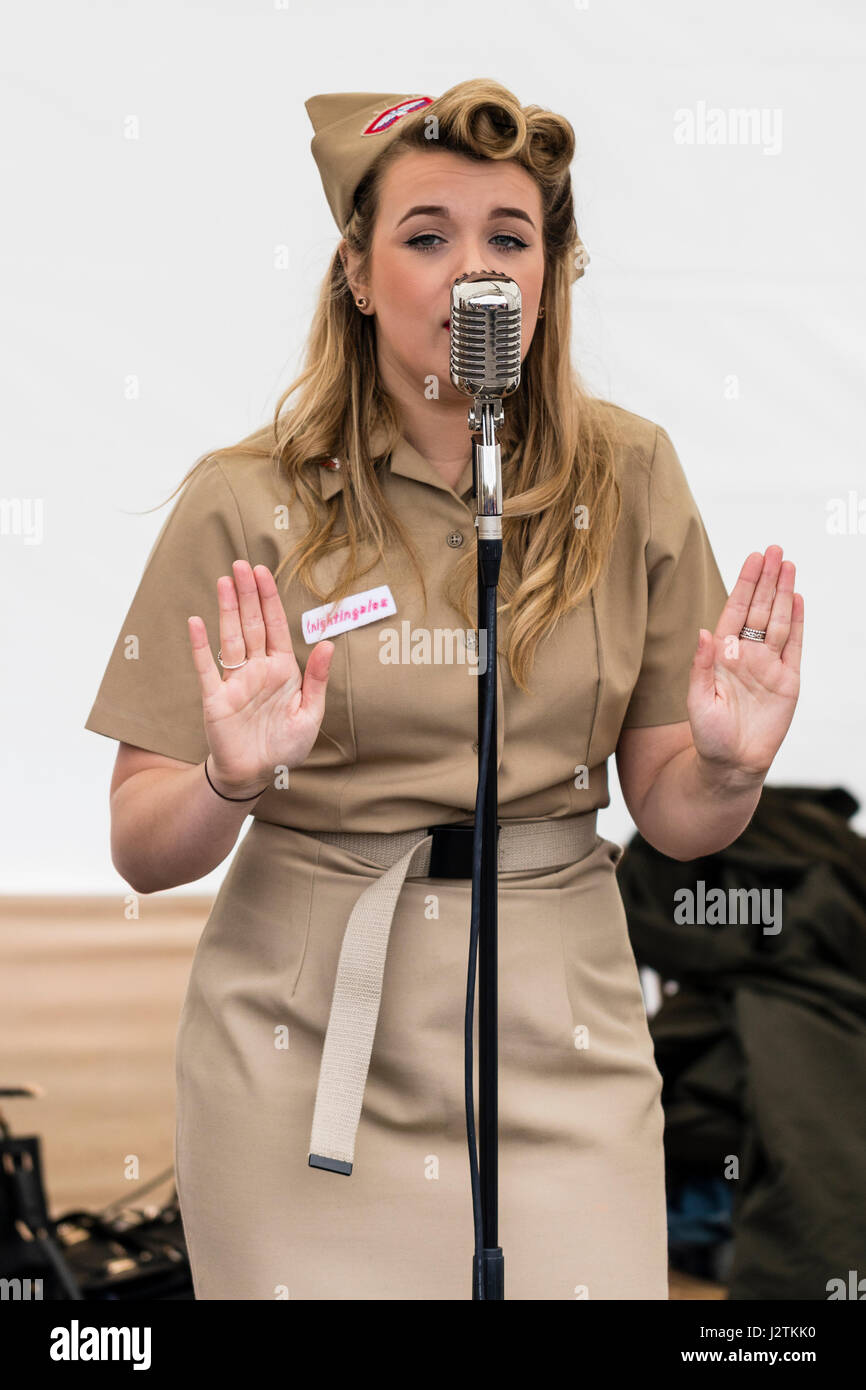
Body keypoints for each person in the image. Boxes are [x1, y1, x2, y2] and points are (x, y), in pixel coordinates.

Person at [83, 80, 804, 1300]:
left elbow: (675, 816)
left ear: (548, 275)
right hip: (302, 1039)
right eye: (427, 237)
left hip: (555, 1030)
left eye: (508, 239)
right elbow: (142, 848)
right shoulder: (244, 496)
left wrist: (726, 765)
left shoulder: (629, 475)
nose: (475, 270)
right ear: (357, 273)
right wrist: (229, 775)